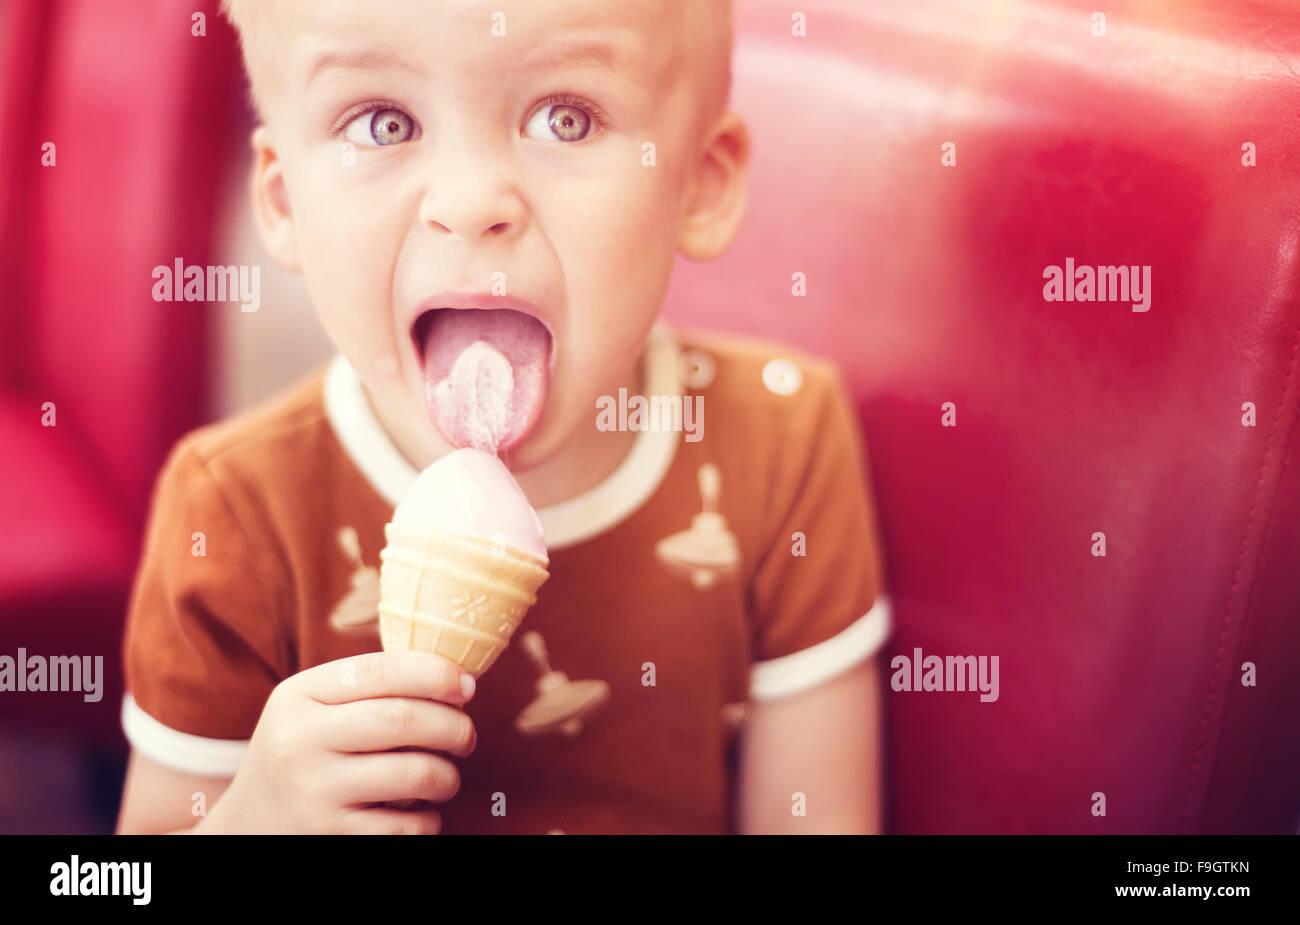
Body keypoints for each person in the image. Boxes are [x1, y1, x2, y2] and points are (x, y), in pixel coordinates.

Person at [115, 0, 890, 835]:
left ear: (699, 182)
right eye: (382, 123)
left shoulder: (781, 440)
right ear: (284, 203)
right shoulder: (231, 511)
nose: (469, 200)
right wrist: (252, 822)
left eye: (565, 118)